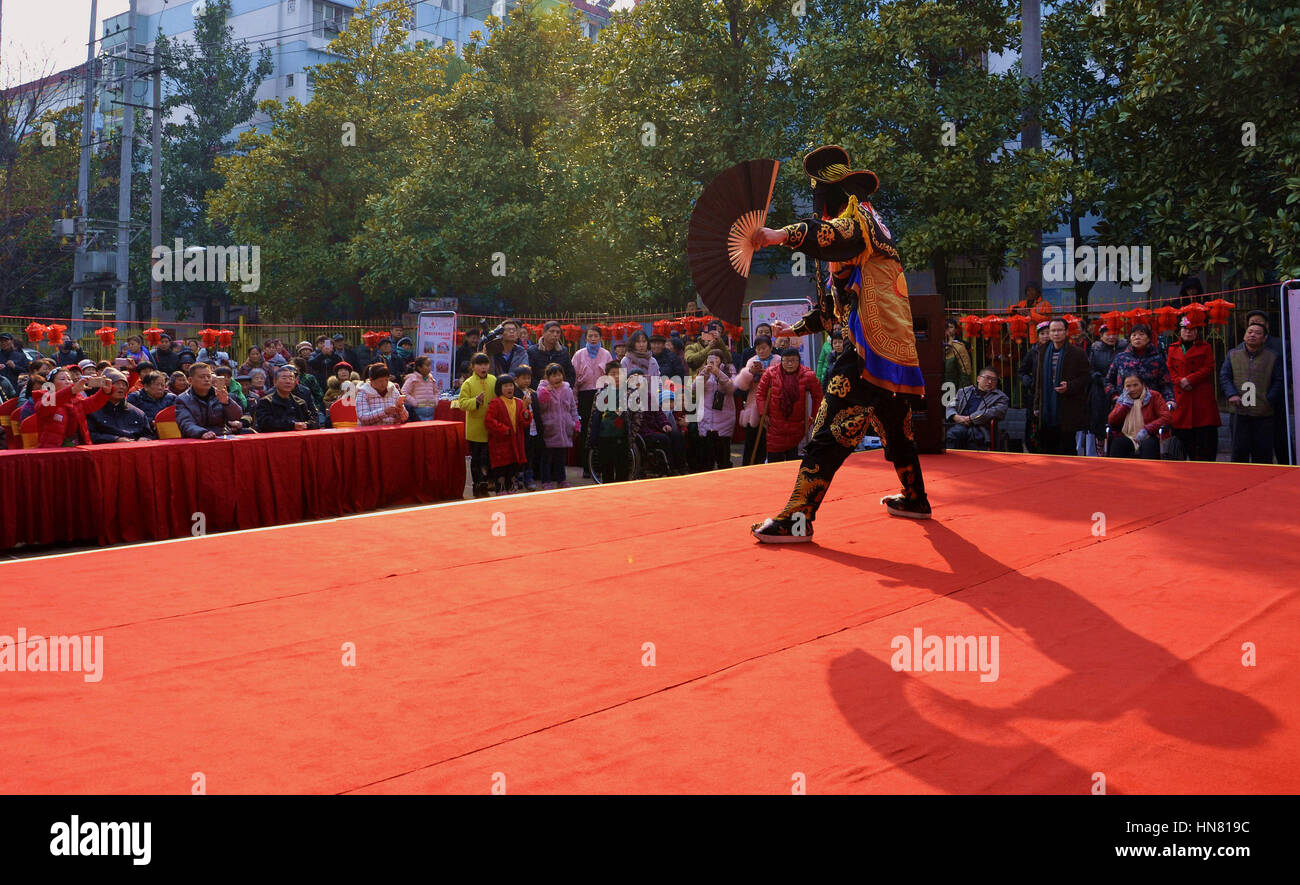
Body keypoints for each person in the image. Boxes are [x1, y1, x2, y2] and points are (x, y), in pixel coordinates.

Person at [748, 145, 928, 540]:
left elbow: (829, 234)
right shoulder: (861, 242)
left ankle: (798, 519)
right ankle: (915, 499)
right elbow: (830, 313)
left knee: (828, 431)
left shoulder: (858, 220)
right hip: (891, 349)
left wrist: (780, 235)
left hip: (867, 350)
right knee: (897, 430)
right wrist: (789, 330)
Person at [1220, 320, 1283, 463]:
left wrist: (1269, 399)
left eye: (1257, 333)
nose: (1253, 335)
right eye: (1250, 332)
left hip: (1264, 412)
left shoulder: (1272, 357)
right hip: (1239, 411)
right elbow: (1225, 376)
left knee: (1262, 453)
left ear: (1264, 338)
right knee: (1239, 451)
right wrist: (1232, 394)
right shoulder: (1233, 355)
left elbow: (1279, 381)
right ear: (1244, 336)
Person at [1031, 318, 1090, 456]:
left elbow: (1086, 377)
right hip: (1046, 406)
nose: (1056, 333)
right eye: (1053, 330)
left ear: (1066, 332)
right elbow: (1039, 380)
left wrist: (1069, 386)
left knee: (1068, 446)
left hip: (1067, 406)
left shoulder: (1077, 353)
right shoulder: (1042, 351)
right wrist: (1036, 405)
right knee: (1048, 447)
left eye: (1059, 330)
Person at [755, 346, 824, 463]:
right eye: (786, 361)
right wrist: (763, 413)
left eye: (794, 360)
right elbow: (760, 394)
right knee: (774, 460)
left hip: (798, 424)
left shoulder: (808, 375)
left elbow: (818, 397)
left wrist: (814, 416)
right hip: (775, 424)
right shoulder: (770, 373)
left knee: (793, 460)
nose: (790, 364)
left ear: (799, 361)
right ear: (781, 361)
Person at [1166, 315, 1220, 461]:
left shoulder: (1205, 347)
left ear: (1197, 332)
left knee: (1204, 442)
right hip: (1181, 396)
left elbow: (1209, 367)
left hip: (1200, 396)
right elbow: (1169, 369)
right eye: (1185, 329)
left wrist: (1190, 379)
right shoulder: (1173, 348)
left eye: (1192, 329)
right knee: (1181, 442)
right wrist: (1179, 381)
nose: (1188, 332)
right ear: (1180, 331)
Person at [572, 326, 613, 473]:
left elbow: (611, 376)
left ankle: (600, 465)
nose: (593, 338)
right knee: (586, 431)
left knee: (602, 428)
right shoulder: (579, 355)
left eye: (596, 336)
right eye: (590, 336)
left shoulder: (606, 354)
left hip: (603, 395)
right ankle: (586, 467)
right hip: (584, 396)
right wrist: (575, 399)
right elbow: (574, 379)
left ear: (601, 338)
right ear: (586, 338)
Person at [455, 353, 497, 498]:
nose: (483, 367)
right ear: (472, 367)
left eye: (485, 364)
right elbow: (462, 403)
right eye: (479, 364)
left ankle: (487, 483)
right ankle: (477, 485)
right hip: (475, 429)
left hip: (491, 428)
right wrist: (476, 401)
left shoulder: (493, 380)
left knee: (489, 457)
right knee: (477, 459)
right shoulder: (468, 383)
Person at [35, 369, 111, 447]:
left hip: (77, 448)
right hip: (52, 451)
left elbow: (91, 404)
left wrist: (104, 392)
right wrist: (71, 391)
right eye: (62, 379)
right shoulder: (44, 398)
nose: (67, 382)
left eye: (69, 379)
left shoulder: (76, 399)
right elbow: (45, 406)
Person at [484, 374, 531, 494]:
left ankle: (511, 488)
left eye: (511, 385)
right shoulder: (495, 402)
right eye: (505, 386)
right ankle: (500, 489)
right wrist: (503, 429)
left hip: (516, 441)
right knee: (501, 467)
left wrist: (525, 412)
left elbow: (524, 422)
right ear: (499, 388)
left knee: (513, 466)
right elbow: (489, 421)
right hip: (501, 442)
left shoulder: (519, 402)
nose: (509, 388)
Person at [1106, 324, 1174, 405]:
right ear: (1130, 339)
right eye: (1134, 335)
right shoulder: (1121, 358)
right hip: (1124, 405)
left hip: (1151, 404)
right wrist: (1115, 396)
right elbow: (1108, 381)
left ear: (1148, 338)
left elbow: (1165, 383)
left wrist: (1170, 399)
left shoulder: (1157, 359)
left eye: (1141, 334)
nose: (1137, 337)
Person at [588, 362, 632, 484]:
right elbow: (594, 416)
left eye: (619, 374)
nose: (616, 377)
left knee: (622, 467)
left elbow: (637, 416)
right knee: (606, 467)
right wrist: (591, 437)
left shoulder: (630, 393)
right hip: (604, 435)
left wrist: (632, 433)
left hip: (622, 435)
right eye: (613, 374)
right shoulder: (600, 394)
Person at [537, 362, 579, 490]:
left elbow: (572, 407)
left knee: (561, 457)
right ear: (548, 377)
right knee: (547, 457)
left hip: (564, 429)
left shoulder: (567, 389)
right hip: (550, 428)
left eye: (559, 375)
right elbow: (541, 407)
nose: (557, 378)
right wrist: (545, 393)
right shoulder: (542, 388)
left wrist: (576, 422)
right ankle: (546, 481)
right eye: (554, 375)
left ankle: (561, 480)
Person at [946, 367, 1010, 451]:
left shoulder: (1001, 397)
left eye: (994, 380)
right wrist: (955, 417)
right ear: (978, 378)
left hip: (982, 427)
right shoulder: (964, 391)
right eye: (987, 378)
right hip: (961, 424)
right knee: (952, 434)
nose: (990, 382)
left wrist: (970, 418)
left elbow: (993, 412)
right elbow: (950, 405)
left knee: (974, 437)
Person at [1107, 373, 1169, 459]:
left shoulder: (1154, 396)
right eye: (1128, 386)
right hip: (1128, 436)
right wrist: (1125, 406)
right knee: (1118, 444)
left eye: (1136, 385)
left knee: (1149, 446)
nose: (1132, 389)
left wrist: (1147, 429)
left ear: (1143, 384)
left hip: (1151, 435)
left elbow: (1166, 417)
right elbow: (1112, 421)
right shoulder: (1123, 399)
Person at [175, 363, 244, 439]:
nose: (207, 379)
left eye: (208, 376)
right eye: (202, 377)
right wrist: (202, 432)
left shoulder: (219, 394)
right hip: (196, 438)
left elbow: (237, 416)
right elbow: (186, 424)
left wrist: (227, 403)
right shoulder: (183, 399)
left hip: (221, 436)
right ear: (190, 380)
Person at [693, 349, 736, 470]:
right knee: (706, 460)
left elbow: (731, 389)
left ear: (721, 360)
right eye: (710, 358)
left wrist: (718, 373)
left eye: (716, 358)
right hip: (706, 420)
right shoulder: (702, 372)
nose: (713, 361)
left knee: (723, 458)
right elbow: (694, 389)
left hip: (724, 419)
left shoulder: (730, 370)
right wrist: (705, 374)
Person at [1087, 323, 1125, 455]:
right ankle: (1100, 450)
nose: (1111, 337)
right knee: (1100, 421)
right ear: (1101, 335)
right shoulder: (1095, 349)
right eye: (1107, 334)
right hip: (1100, 391)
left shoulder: (1124, 348)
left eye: (1114, 333)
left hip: (1119, 390)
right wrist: (1103, 380)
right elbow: (1090, 370)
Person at [87, 370, 152, 443]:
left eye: (124, 384)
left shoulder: (138, 413)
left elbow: (148, 434)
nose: (121, 387)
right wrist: (115, 439)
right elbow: (90, 435)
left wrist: (144, 438)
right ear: (105, 387)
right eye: (116, 383)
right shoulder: (93, 411)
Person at [255, 365, 320, 433]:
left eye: (291, 378)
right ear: (275, 382)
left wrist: (305, 425)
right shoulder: (266, 401)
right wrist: (292, 425)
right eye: (284, 378)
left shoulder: (300, 402)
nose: (288, 381)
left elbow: (313, 421)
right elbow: (265, 424)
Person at [512, 365, 541, 491]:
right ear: (516, 379)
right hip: (521, 430)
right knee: (520, 454)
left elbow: (538, 412)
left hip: (533, 428)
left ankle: (529, 478)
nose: (527, 381)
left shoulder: (533, 393)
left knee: (530, 455)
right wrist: (524, 405)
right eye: (524, 378)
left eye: (529, 378)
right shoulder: (514, 393)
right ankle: (517, 478)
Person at [528, 321, 576, 387]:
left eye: (558, 332)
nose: (555, 334)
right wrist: (541, 389)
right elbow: (529, 375)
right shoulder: (532, 351)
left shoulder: (563, 351)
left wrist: (564, 388)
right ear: (543, 333)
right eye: (552, 331)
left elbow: (570, 374)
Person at [401, 356, 440, 420]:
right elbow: (404, 392)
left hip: (430, 411)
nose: (429, 368)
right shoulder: (412, 378)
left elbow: (436, 392)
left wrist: (435, 402)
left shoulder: (431, 379)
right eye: (427, 365)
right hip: (417, 411)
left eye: (430, 365)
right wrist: (414, 403)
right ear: (419, 368)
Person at [943, 318, 973, 392]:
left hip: (953, 386)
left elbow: (966, 371)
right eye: (946, 327)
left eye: (951, 327)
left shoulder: (960, 346)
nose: (948, 330)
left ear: (956, 329)